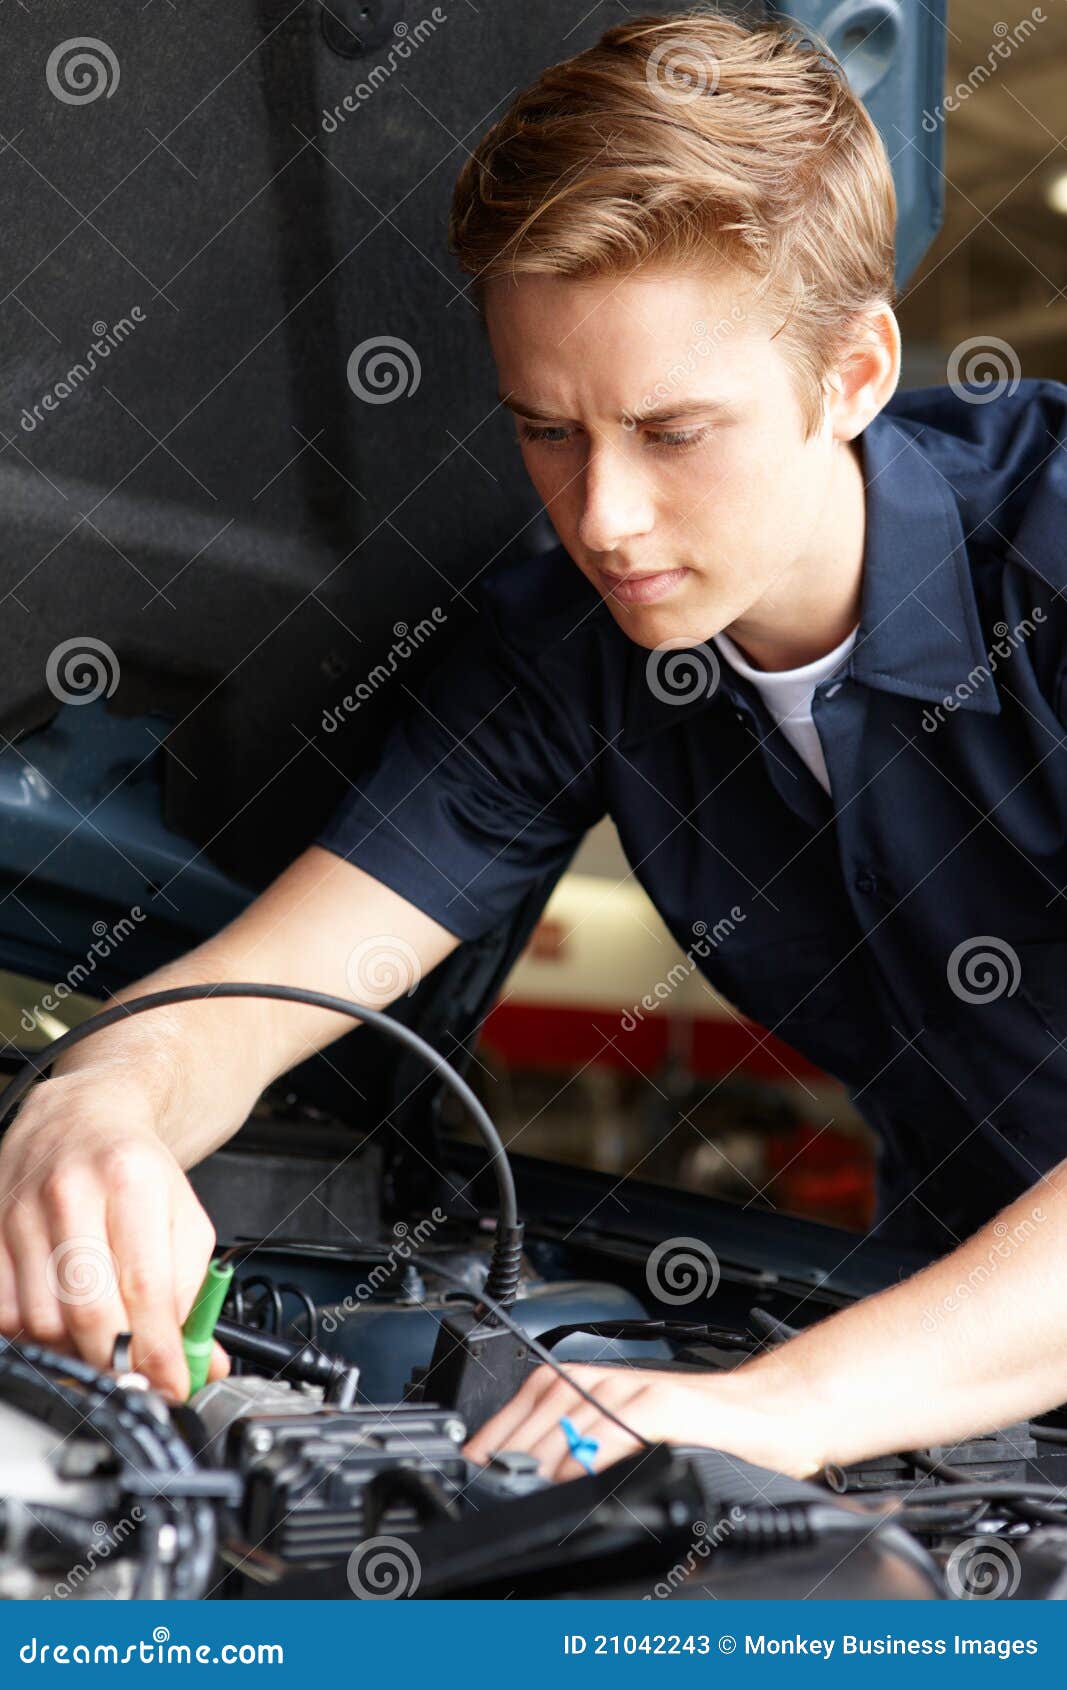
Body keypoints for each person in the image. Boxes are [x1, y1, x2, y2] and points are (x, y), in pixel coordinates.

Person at [3, 9, 1067, 1485]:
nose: (606, 516)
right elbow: (263, 995)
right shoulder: (570, 650)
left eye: (673, 430)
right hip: (965, 1371)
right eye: (548, 431)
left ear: (857, 371)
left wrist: (781, 1406)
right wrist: (90, 1111)